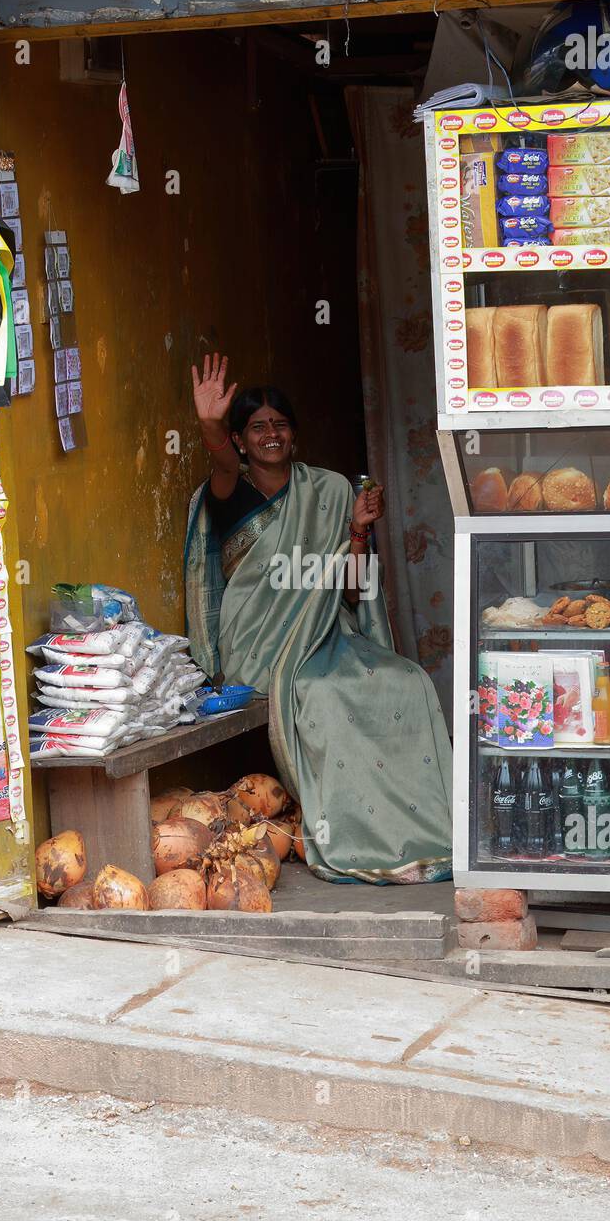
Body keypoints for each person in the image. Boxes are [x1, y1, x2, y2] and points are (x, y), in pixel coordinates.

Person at [184, 352, 452, 884]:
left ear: (295, 435)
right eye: (257, 427)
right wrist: (210, 426)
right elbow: (219, 465)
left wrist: (357, 530)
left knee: (407, 681)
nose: (271, 435)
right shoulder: (230, 493)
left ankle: (427, 833)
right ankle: (350, 834)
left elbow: (352, 593)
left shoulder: (330, 491)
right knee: (326, 698)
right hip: (261, 646)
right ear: (239, 440)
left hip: (328, 634)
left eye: (280, 425)